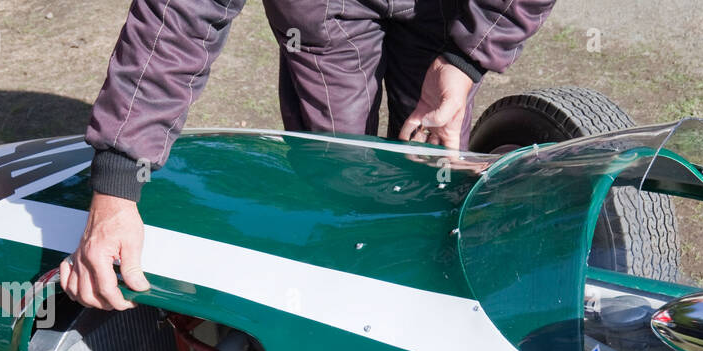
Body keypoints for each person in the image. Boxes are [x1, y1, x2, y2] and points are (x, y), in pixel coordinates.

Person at [60, 0, 555, 310]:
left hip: (445, 9)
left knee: (435, 172)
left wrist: (467, 58)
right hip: (321, 14)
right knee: (338, 182)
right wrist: (117, 186)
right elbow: (177, 18)